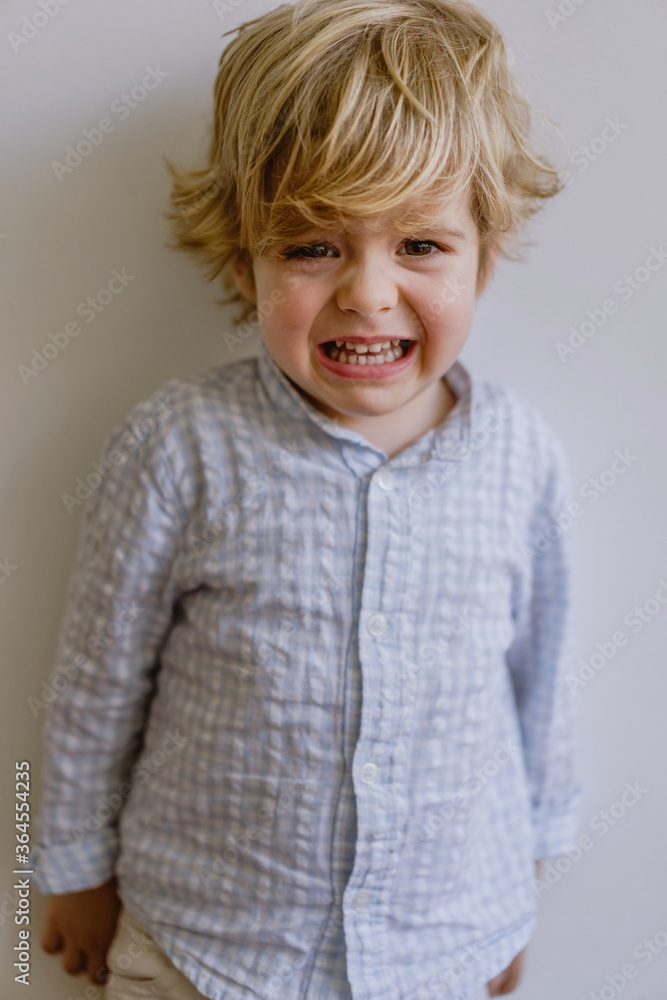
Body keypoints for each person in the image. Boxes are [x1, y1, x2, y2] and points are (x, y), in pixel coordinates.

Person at [32, 0, 581, 997]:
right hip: (204, 941)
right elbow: (96, 682)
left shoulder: (521, 457)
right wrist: (71, 867)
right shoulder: (178, 446)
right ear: (243, 259)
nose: (368, 294)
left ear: (484, 257)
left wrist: (513, 889)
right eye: (312, 248)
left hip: (442, 943)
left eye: (419, 245)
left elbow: (540, 686)